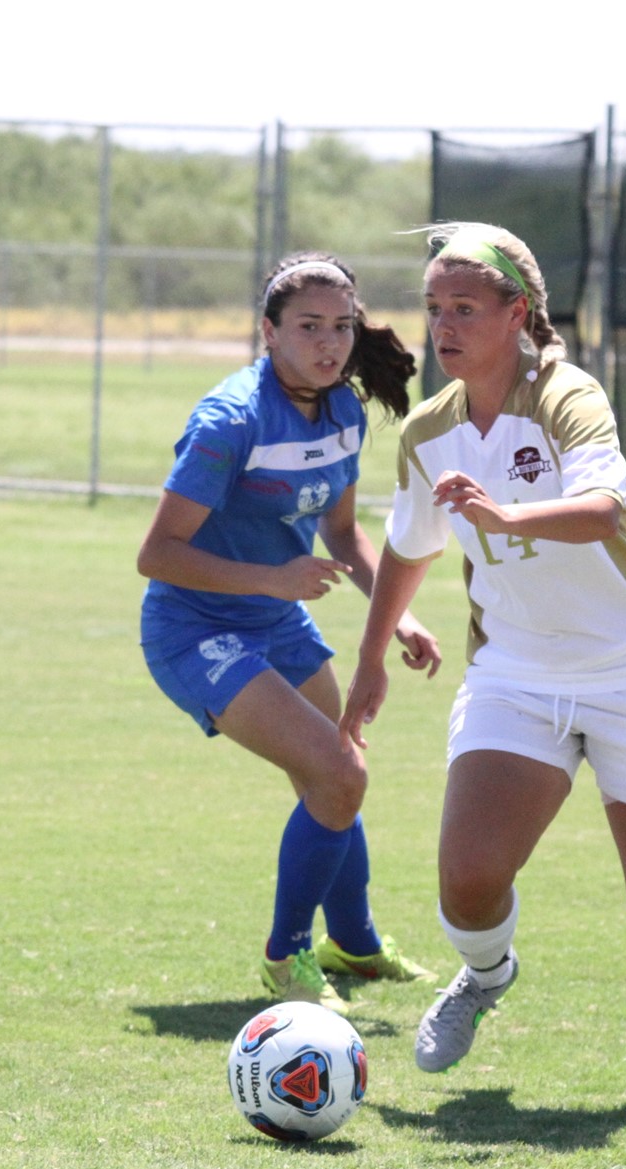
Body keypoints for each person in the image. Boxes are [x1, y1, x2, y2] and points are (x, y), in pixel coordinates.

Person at [338, 222, 626, 1098]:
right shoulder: (429, 430)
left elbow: (603, 509)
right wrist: (374, 655)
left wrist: (504, 517)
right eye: (432, 308)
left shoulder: (569, 397)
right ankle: (488, 975)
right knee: (468, 877)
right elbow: (408, 544)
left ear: (516, 313)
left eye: (464, 307)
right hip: (517, 676)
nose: (443, 326)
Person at [138, 252, 444, 1014]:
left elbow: (342, 536)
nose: (330, 343)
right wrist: (275, 578)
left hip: (276, 620)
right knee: (340, 776)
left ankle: (357, 944)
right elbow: (158, 555)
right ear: (268, 332)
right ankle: (285, 958)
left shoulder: (342, 411)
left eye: (341, 326)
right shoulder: (228, 422)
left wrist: (396, 612)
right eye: (309, 327)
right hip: (194, 626)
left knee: (333, 778)